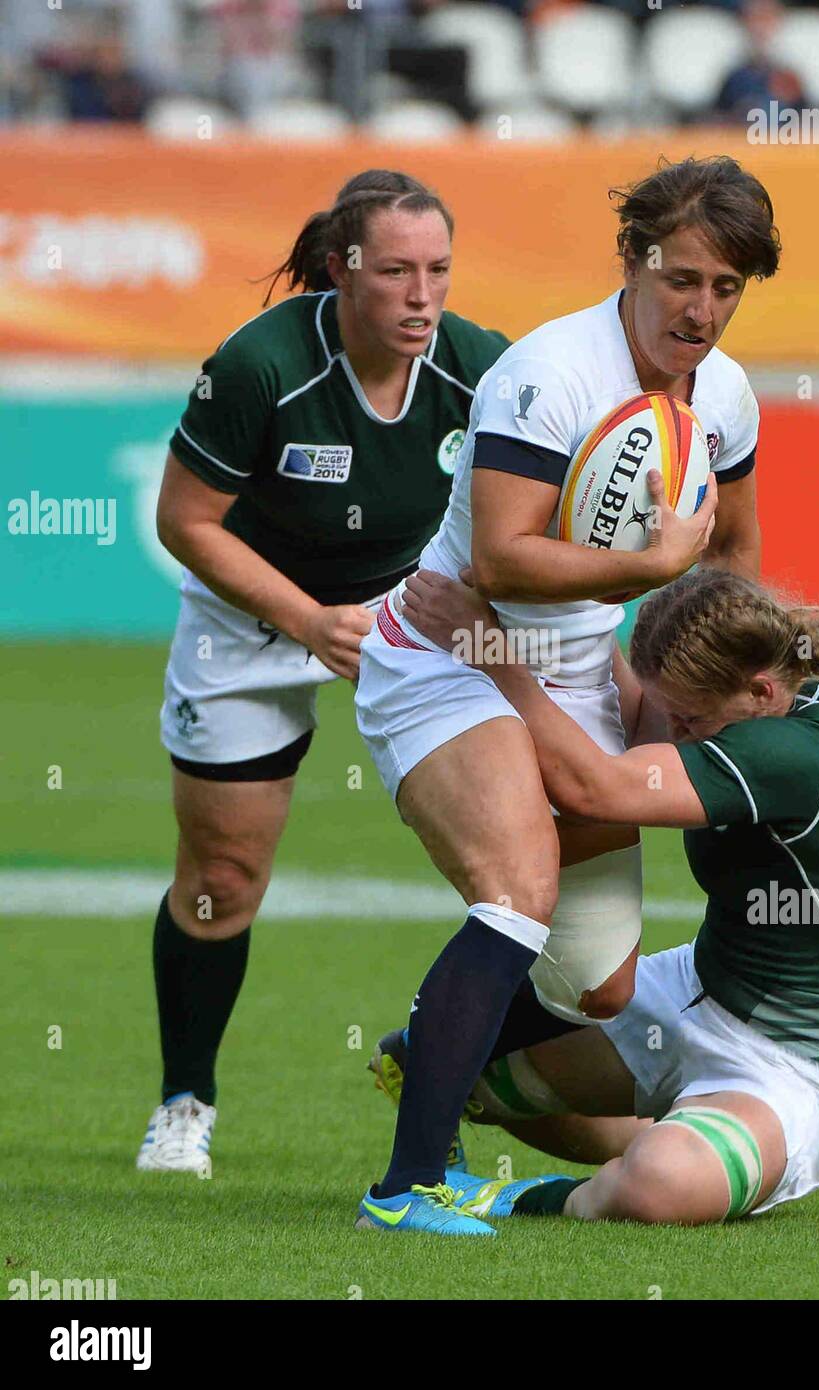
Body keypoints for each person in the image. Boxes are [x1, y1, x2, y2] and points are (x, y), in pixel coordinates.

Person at [353, 155, 780, 1236]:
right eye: (682, 278)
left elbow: (731, 552)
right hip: (451, 652)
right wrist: (646, 573)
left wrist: (737, 672)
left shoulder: (726, 395)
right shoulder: (550, 374)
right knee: (517, 886)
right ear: (633, 259)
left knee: (592, 982)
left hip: (583, 674)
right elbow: (497, 558)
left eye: (727, 288)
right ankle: (403, 1192)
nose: (702, 309)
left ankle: (430, 1053)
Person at [136, 169, 509, 1177]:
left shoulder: (483, 368)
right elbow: (185, 521)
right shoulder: (259, 364)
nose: (422, 295)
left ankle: (473, 1092)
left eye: (437, 270)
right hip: (251, 620)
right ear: (344, 271)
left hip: (409, 618)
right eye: (395, 272)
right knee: (221, 880)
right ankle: (184, 1099)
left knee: (506, 867)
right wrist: (305, 620)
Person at [397, 564, 819, 1227]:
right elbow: (639, 715)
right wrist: (578, 600)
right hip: (695, 989)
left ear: (758, 692)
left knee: (660, 1186)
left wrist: (492, 651)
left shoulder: (792, 754)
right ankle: (681, 1139)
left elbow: (598, 790)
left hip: (795, 1069)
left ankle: (542, 1196)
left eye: (689, 717)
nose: (672, 728)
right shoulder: (777, 685)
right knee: (445, 1063)